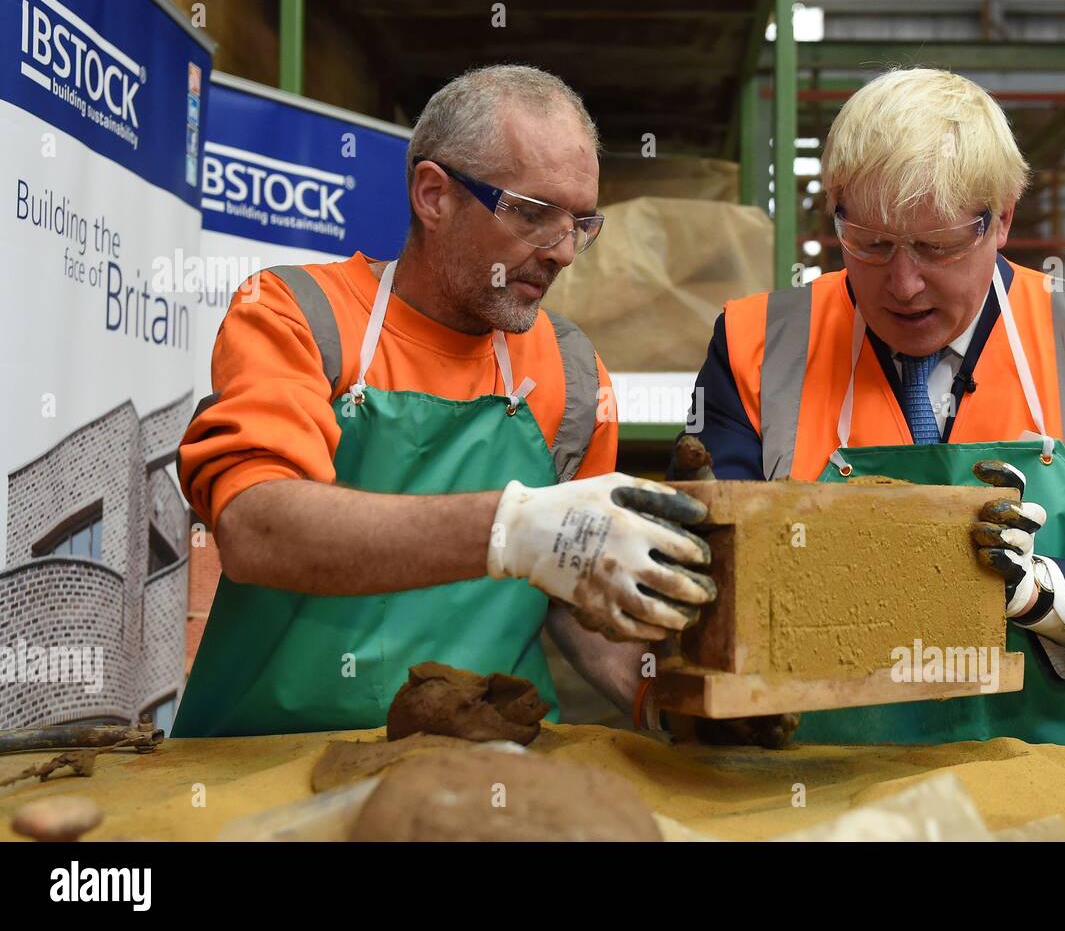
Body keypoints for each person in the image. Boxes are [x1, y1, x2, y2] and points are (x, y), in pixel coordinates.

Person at [173, 65, 714, 737]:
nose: (565, 252)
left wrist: (671, 701)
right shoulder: (297, 315)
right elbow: (256, 528)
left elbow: (570, 596)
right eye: (535, 214)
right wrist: (515, 529)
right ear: (433, 194)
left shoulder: (571, 372)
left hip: (488, 763)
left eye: (580, 222)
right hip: (266, 766)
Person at [681, 68, 1065, 748]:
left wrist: (1039, 595)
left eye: (937, 247)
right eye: (870, 243)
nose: (902, 285)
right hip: (837, 777)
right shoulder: (756, 344)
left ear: (1002, 219)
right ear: (835, 212)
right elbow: (716, 581)